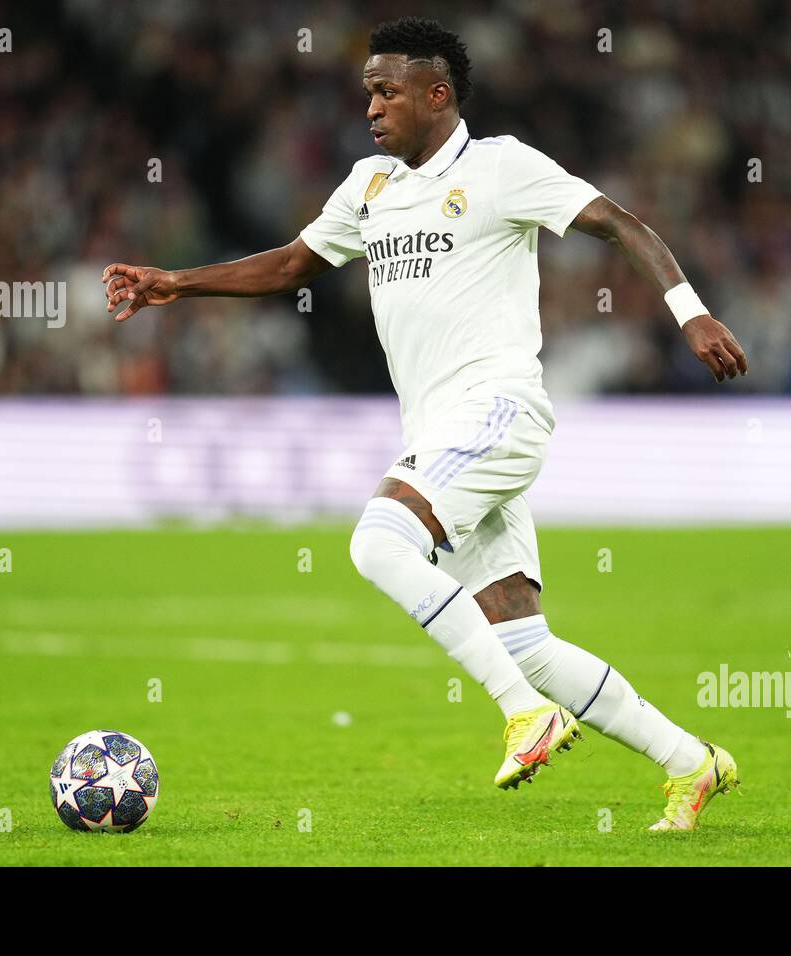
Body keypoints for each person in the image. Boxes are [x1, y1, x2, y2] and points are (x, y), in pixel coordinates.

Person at [103, 16, 748, 831]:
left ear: (436, 95)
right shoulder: (368, 187)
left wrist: (688, 314)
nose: (370, 107)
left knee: (377, 541)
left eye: (386, 91)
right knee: (524, 641)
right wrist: (176, 283)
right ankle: (691, 762)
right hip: (439, 431)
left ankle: (525, 715)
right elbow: (292, 264)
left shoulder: (503, 167)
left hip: (497, 409)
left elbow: (623, 223)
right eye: (367, 91)